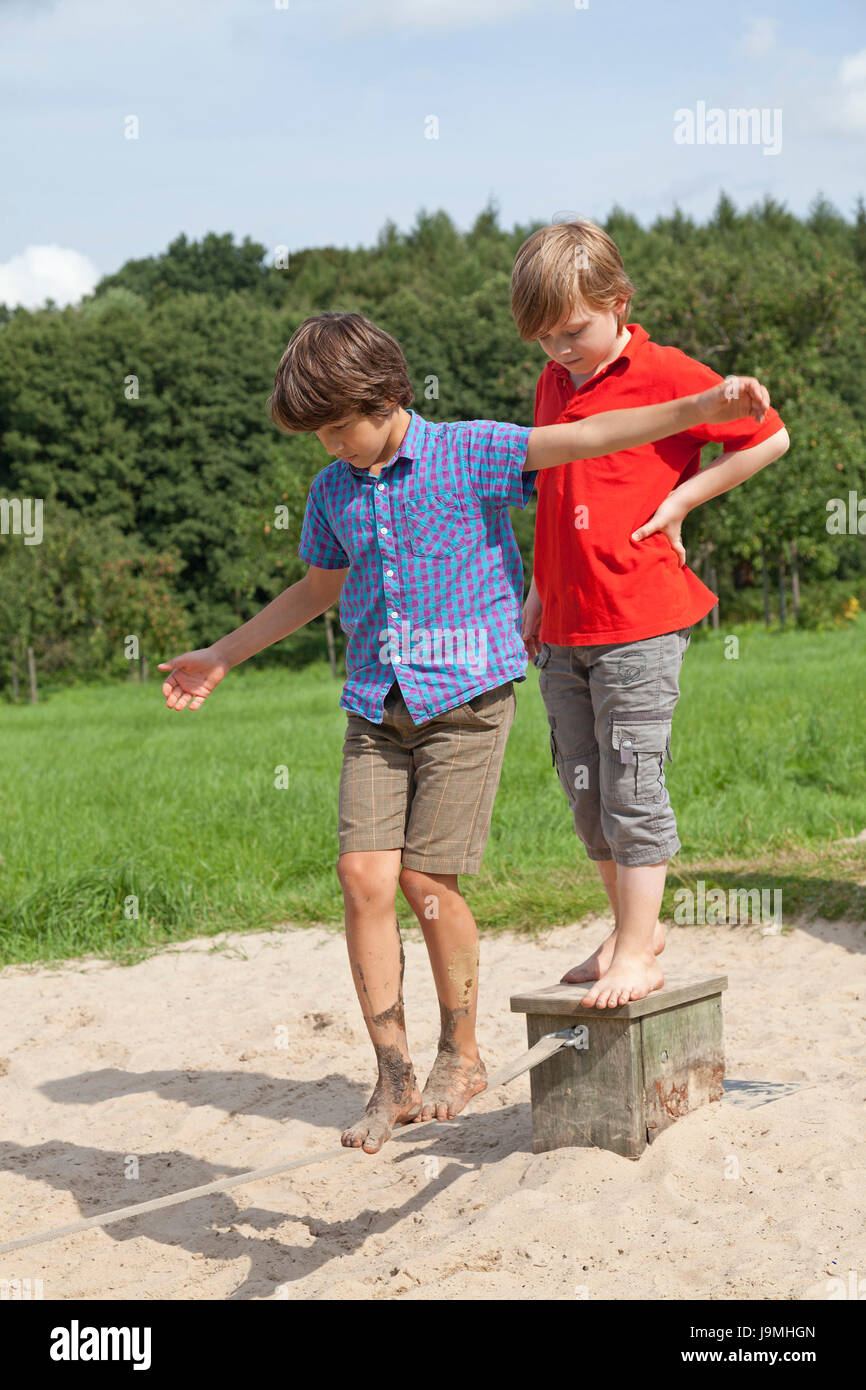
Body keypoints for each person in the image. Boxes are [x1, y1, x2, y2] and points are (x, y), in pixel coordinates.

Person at [158, 310, 771, 1151]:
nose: (332, 445)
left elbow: (592, 438)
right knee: (361, 876)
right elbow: (317, 590)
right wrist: (222, 654)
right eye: (319, 434)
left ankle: (461, 1051)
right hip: (377, 704)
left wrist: (697, 404)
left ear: (385, 396)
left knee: (425, 881)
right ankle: (392, 1075)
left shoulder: (469, 450)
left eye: (340, 426)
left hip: (467, 699)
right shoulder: (333, 490)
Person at [511, 219, 790, 1010]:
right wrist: (537, 589)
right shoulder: (552, 384)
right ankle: (631, 929)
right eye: (543, 339)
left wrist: (682, 498)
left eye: (572, 331)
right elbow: (555, 494)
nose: (559, 350)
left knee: (632, 784)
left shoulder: (666, 373)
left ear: (618, 301)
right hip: (563, 621)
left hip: (639, 615)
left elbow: (770, 437)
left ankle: (638, 952)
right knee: (584, 788)